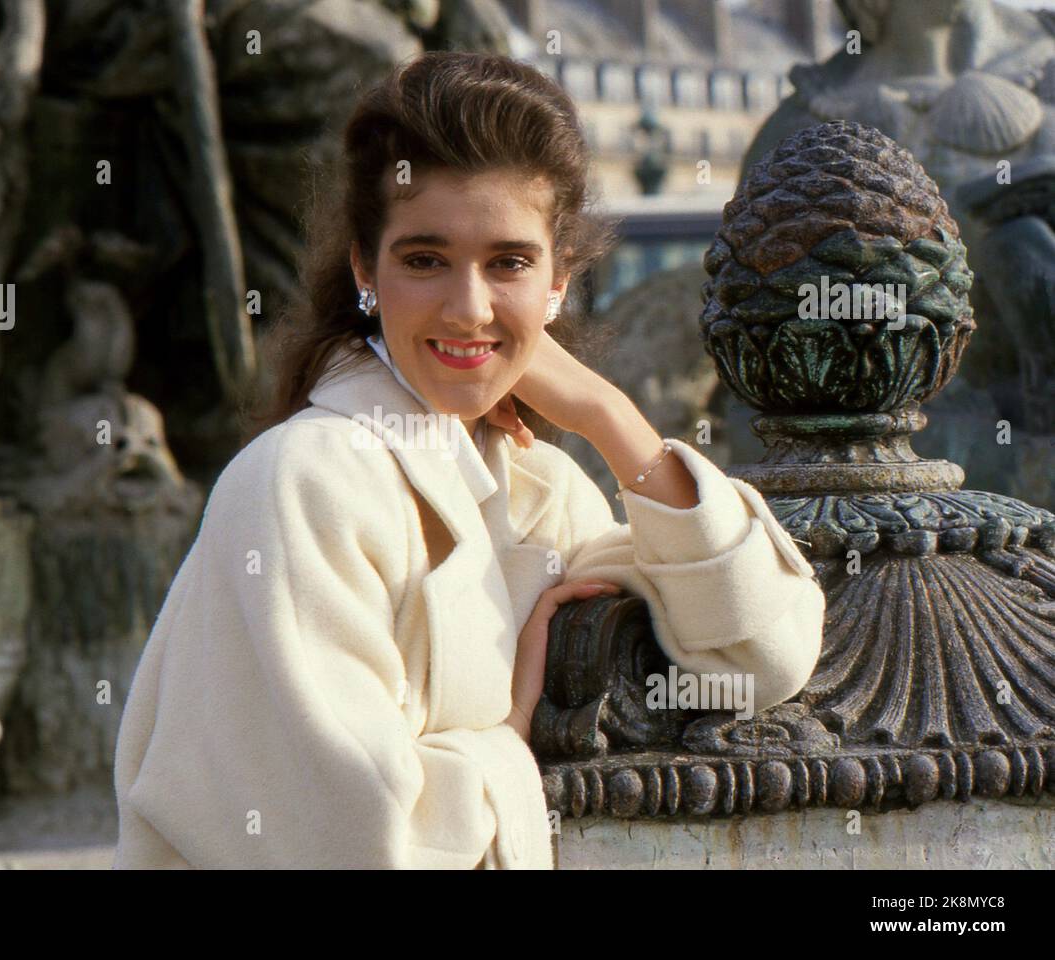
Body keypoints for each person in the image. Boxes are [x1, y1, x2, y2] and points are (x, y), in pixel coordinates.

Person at [112, 51, 826, 870]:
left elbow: (759, 659)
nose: (470, 308)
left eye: (509, 263)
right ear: (363, 269)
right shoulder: (299, 481)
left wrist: (609, 415)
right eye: (425, 260)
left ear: (560, 280)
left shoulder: (538, 488)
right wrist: (508, 739)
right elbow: (352, 845)